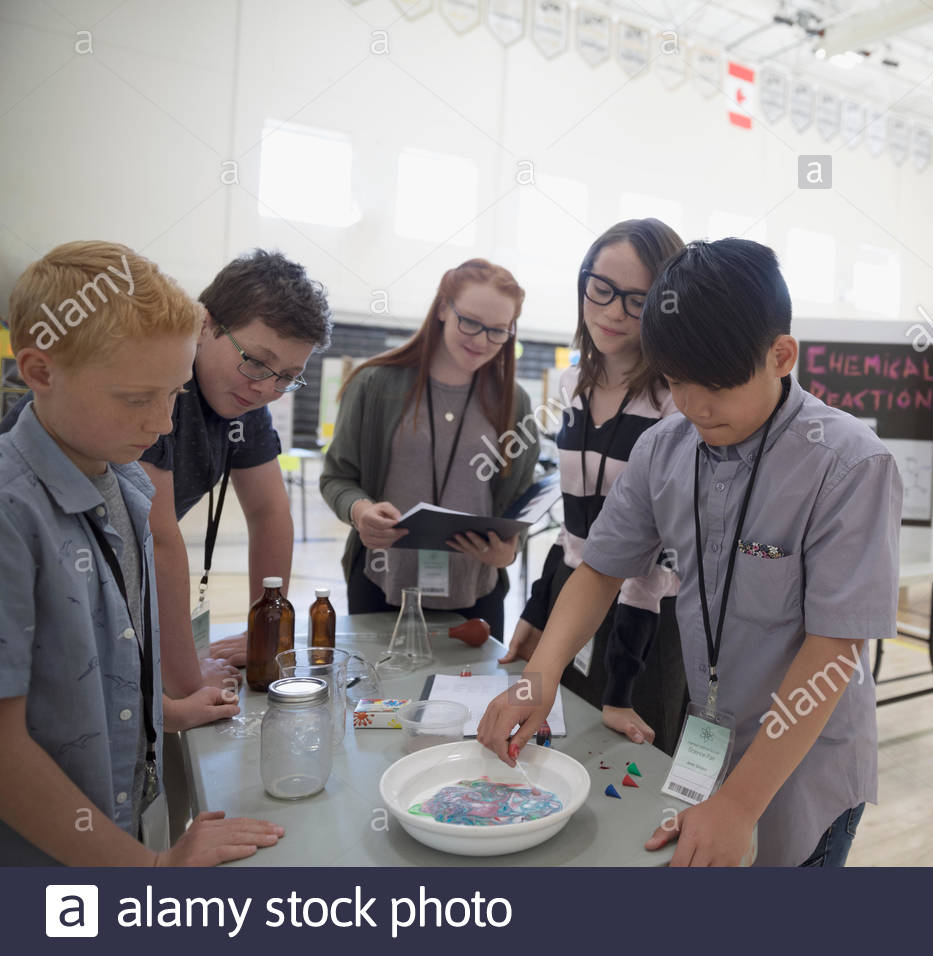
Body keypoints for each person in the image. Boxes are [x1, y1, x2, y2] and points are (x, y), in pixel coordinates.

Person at [479, 239, 903, 867]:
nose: (695, 407)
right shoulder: (665, 449)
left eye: (716, 388)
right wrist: (538, 678)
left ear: (780, 356)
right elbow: (598, 572)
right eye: (676, 383)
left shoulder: (848, 465)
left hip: (804, 763)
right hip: (703, 743)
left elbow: (835, 651)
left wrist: (739, 804)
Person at [0, 241, 283, 864]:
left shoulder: (124, 481)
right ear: (40, 372)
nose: (162, 424)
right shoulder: (12, 514)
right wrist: (154, 869)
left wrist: (166, 712)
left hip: (110, 818)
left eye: (175, 394)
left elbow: (95, 658)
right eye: (136, 399)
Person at [1, 248, 332, 733]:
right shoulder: (153, 389)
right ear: (206, 324)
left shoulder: (243, 399)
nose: (265, 388)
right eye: (258, 362)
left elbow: (269, 513)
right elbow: (158, 537)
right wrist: (184, 678)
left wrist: (265, 629)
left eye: (287, 378)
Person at [500, 219, 687, 751]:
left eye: (637, 300)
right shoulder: (572, 384)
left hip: (645, 619)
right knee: (558, 749)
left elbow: (664, 554)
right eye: (601, 289)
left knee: (628, 773)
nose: (612, 311)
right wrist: (538, 611)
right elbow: (573, 528)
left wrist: (623, 682)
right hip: (574, 601)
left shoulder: (678, 401)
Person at [320, 258, 539, 639]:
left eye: (498, 331)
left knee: (472, 698)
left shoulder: (513, 402)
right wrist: (361, 511)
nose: (482, 340)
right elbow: (337, 477)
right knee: (383, 698)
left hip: (476, 592)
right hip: (382, 583)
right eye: (470, 322)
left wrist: (510, 548)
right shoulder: (375, 385)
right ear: (442, 308)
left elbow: (520, 499)